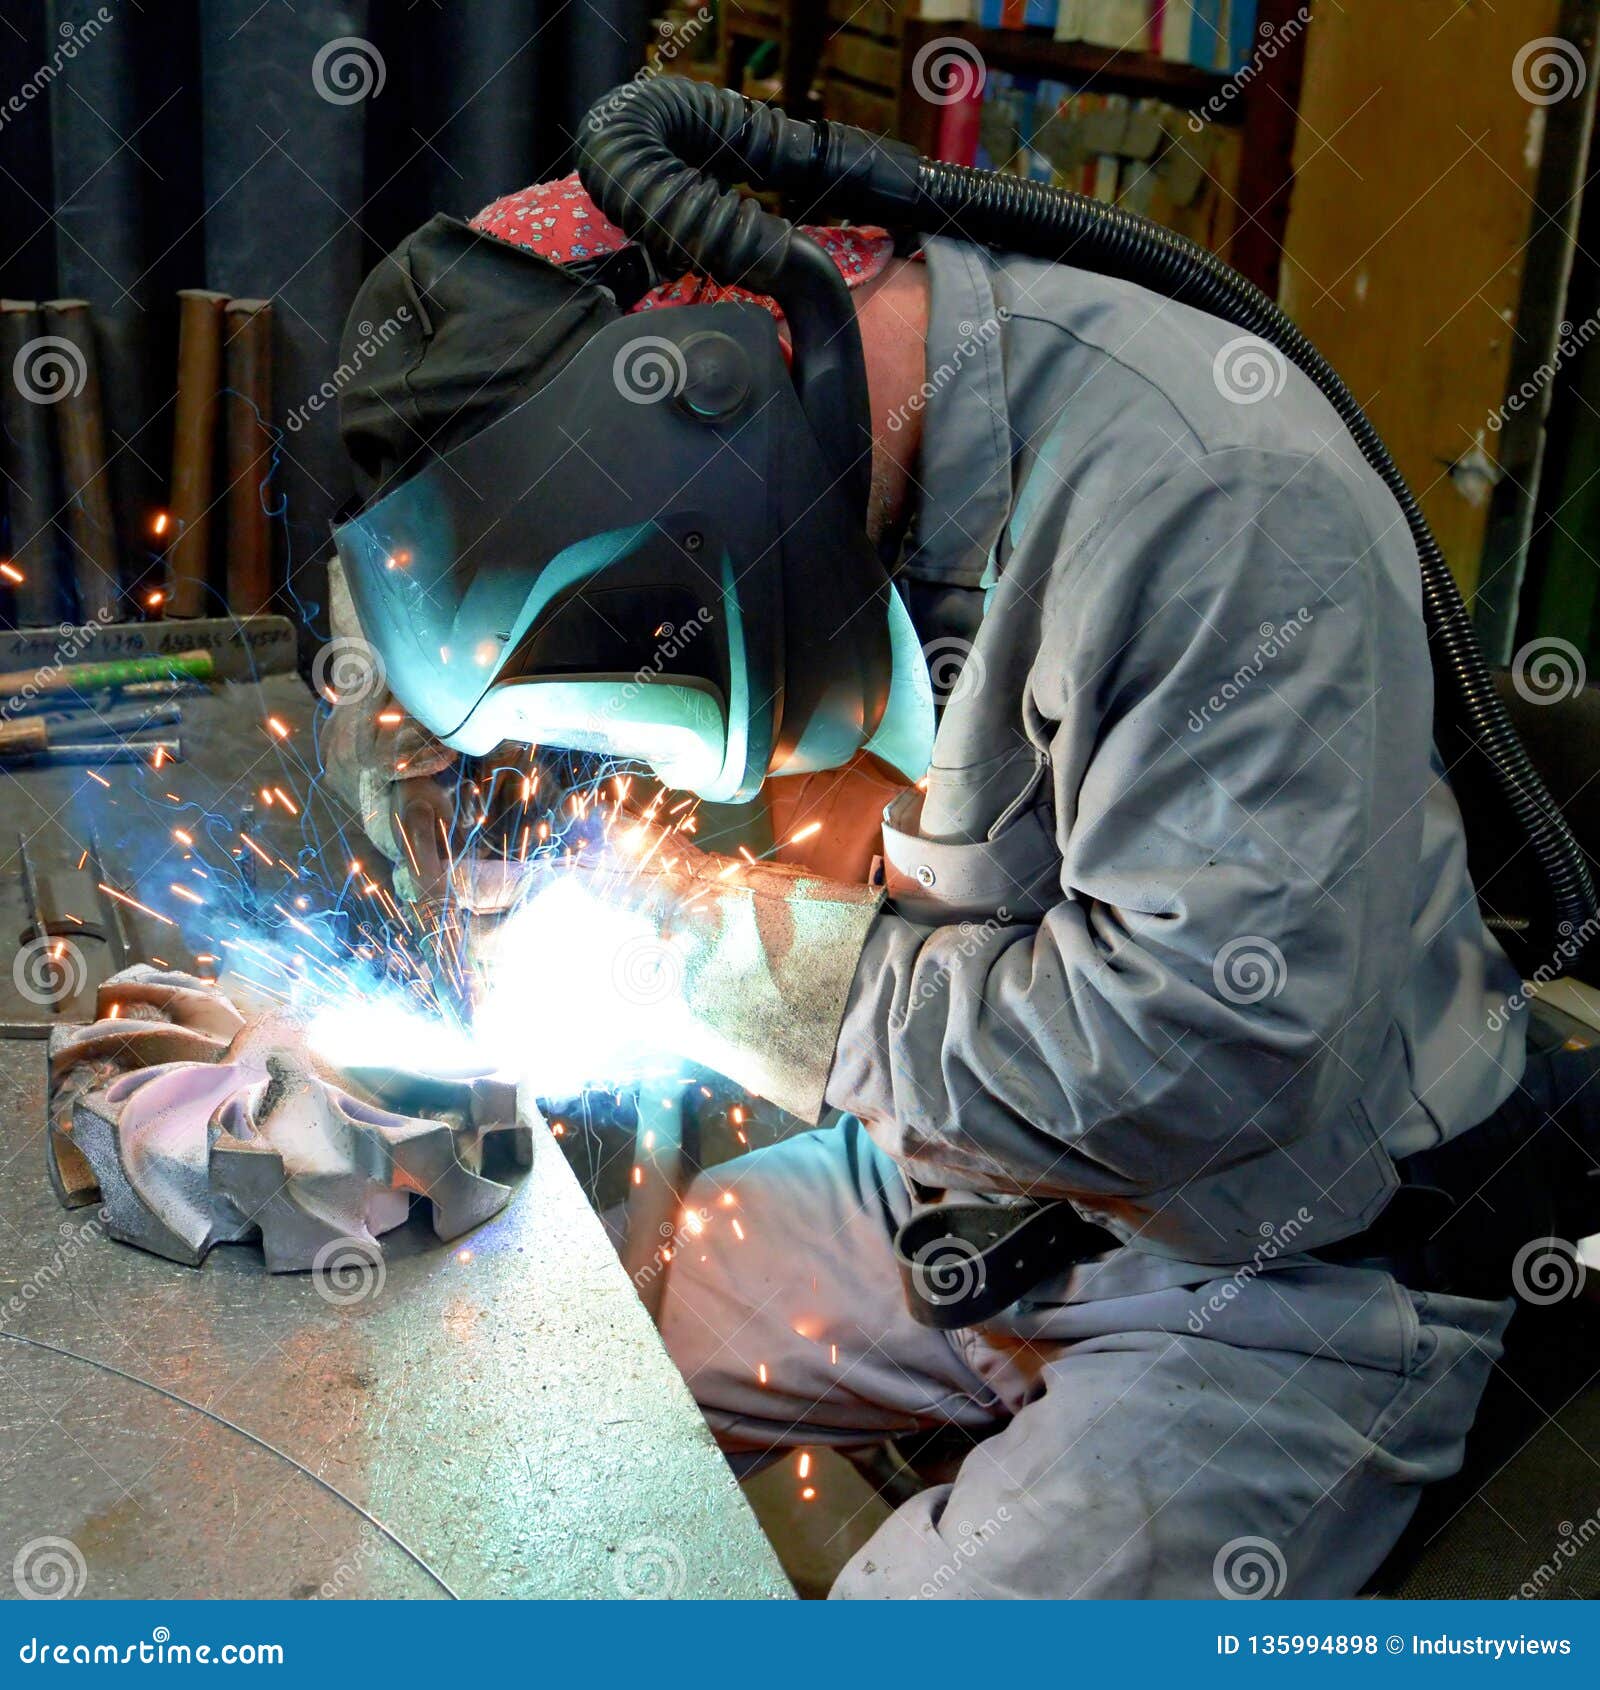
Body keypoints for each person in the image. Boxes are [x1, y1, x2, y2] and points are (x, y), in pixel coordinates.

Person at [325, 172, 1552, 1599]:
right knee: (576, 1357)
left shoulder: (1216, 502)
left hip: (1281, 1266)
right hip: (989, 1183)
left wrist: (686, 953)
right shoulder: (850, 471)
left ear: (708, 404)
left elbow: (1185, 1067)